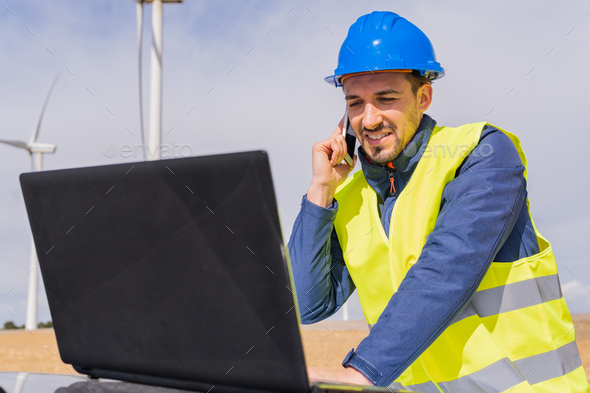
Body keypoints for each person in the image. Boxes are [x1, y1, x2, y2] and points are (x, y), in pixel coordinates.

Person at [288, 11, 590, 392]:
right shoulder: (348, 198)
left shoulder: (481, 155)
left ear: (423, 97)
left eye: (386, 98)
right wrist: (320, 190)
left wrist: (362, 371)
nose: (369, 118)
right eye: (355, 103)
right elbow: (308, 304)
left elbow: (448, 266)